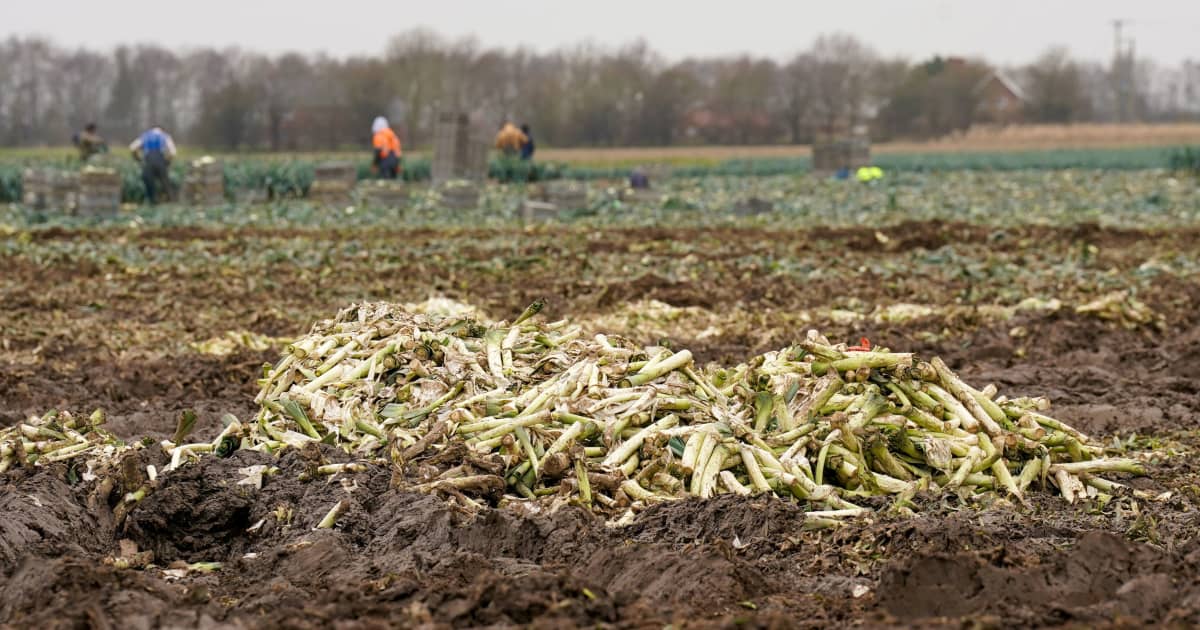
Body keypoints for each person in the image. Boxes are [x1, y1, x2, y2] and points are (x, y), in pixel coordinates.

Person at [130, 126, 177, 204]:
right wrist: (167, 162)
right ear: (161, 130)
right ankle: (171, 202)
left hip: (148, 162)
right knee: (165, 183)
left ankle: (152, 203)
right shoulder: (165, 136)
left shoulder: (145, 136)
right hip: (161, 161)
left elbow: (132, 148)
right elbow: (173, 152)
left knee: (149, 184)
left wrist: (138, 159)